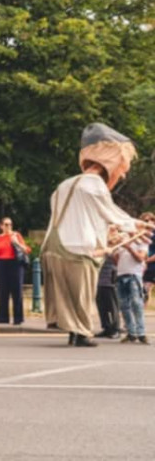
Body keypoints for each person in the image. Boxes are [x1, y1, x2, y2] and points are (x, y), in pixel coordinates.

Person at [40, 123, 153, 348]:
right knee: (82, 293)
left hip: (52, 246)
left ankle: (73, 331)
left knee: (65, 294)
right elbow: (110, 212)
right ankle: (81, 333)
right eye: (123, 168)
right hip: (77, 247)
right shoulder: (93, 184)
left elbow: (93, 216)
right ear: (111, 163)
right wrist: (137, 225)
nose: (123, 174)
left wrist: (120, 231)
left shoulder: (66, 184)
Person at [110, 226, 149, 344]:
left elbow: (140, 258)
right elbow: (116, 261)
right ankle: (131, 333)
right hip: (121, 276)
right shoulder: (123, 242)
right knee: (124, 306)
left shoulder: (142, 243)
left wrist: (129, 248)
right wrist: (114, 249)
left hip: (133, 276)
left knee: (137, 304)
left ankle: (141, 333)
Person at [0, 217, 30, 326]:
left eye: (10, 224)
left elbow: (27, 250)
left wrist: (16, 242)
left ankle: (18, 318)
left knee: (17, 292)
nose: (8, 227)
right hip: (2, 264)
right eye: (6, 224)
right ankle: (3, 317)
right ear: (1, 226)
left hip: (15, 264)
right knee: (3, 292)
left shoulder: (16, 236)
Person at [95, 234, 121, 340]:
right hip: (98, 280)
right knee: (101, 306)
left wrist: (111, 251)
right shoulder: (101, 248)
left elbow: (118, 262)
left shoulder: (117, 248)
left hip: (110, 279)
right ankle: (106, 327)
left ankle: (115, 329)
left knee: (113, 306)